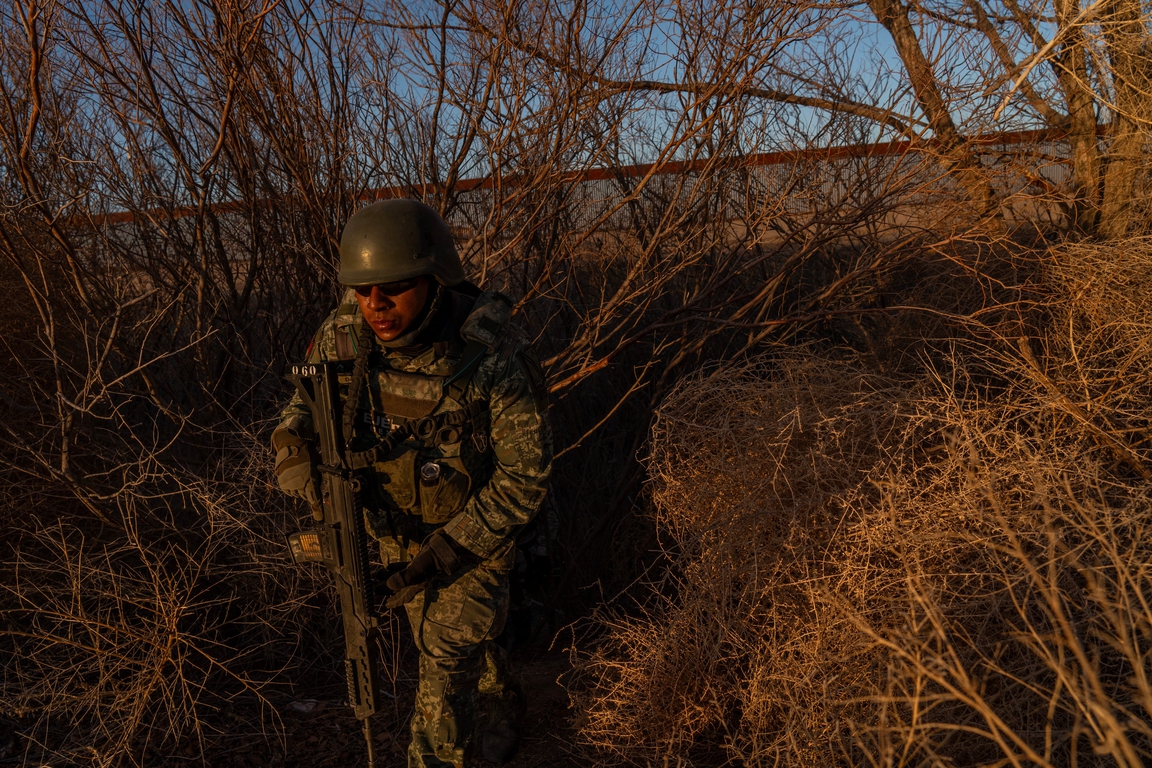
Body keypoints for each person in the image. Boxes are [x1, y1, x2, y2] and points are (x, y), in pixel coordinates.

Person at [271, 198, 553, 767]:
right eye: (362, 288)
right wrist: (292, 452)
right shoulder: (344, 334)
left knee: (443, 657)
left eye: (394, 286)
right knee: (448, 632)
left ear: (434, 279)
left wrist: (445, 550)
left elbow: (524, 478)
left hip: (470, 535)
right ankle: (498, 692)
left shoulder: (491, 360)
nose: (375, 304)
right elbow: (301, 410)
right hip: (386, 523)